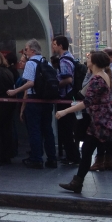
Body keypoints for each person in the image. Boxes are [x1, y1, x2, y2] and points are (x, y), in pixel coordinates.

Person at [56, 51, 112, 198]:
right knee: (87, 150)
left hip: (102, 123)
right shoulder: (101, 75)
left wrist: (65, 111)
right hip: (99, 122)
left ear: (95, 62)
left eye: (89, 58)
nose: (87, 60)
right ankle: (77, 182)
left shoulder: (97, 79)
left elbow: (87, 102)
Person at [7, 39, 57, 169]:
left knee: (34, 130)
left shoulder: (30, 63)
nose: (25, 51)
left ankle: (36, 158)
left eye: (27, 49)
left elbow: (30, 83)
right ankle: (52, 158)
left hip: (34, 99)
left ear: (32, 50)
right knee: (47, 129)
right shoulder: (46, 62)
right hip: (47, 100)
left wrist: (14, 91)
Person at [51, 35, 80, 165]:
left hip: (66, 97)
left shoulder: (64, 60)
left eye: (54, 44)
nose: (53, 47)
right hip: (68, 97)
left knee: (66, 129)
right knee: (67, 129)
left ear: (60, 46)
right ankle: (71, 156)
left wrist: (56, 85)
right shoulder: (69, 58)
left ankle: (72, 157)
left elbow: (68, 79)